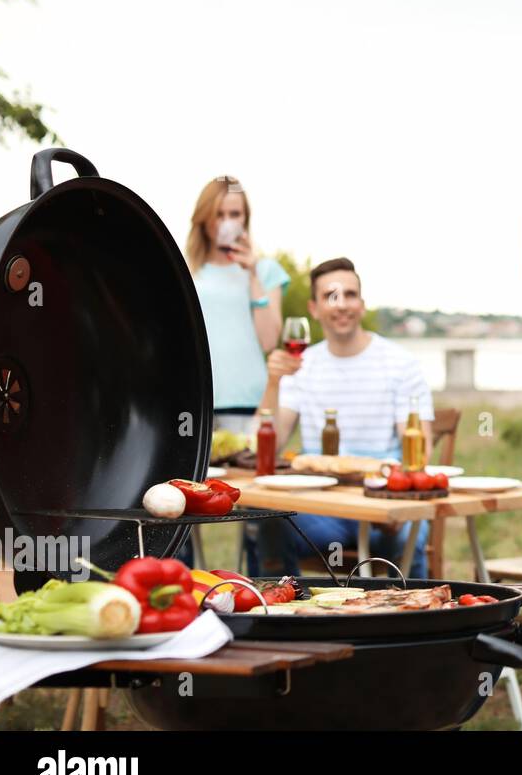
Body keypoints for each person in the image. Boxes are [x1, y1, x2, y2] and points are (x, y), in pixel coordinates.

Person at [259, 257, 436, 578]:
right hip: (324, 511)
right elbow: (268, 444)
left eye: (350, 295)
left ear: (363, 304)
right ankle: (287, 616)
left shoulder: (400, 363)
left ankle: (416, 619)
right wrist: (273, 382)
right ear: (313, 308)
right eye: (331, 296)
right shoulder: (302, 365)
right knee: (265, 522)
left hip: (385, 504)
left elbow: (420, 451)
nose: (342, 305)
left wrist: (399, 500)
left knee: (411, 532)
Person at [187, 175, 289, 571]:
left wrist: (252, 277)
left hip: (250, 404)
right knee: (183, 504)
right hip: (197, 404)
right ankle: (190, 587)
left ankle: (266, 588)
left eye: (237, 214)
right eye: (221, 214)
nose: (229, 222)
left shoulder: (266, 269)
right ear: (205, 219)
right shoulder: (188, 267)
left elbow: (270, 340)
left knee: (258, 508)